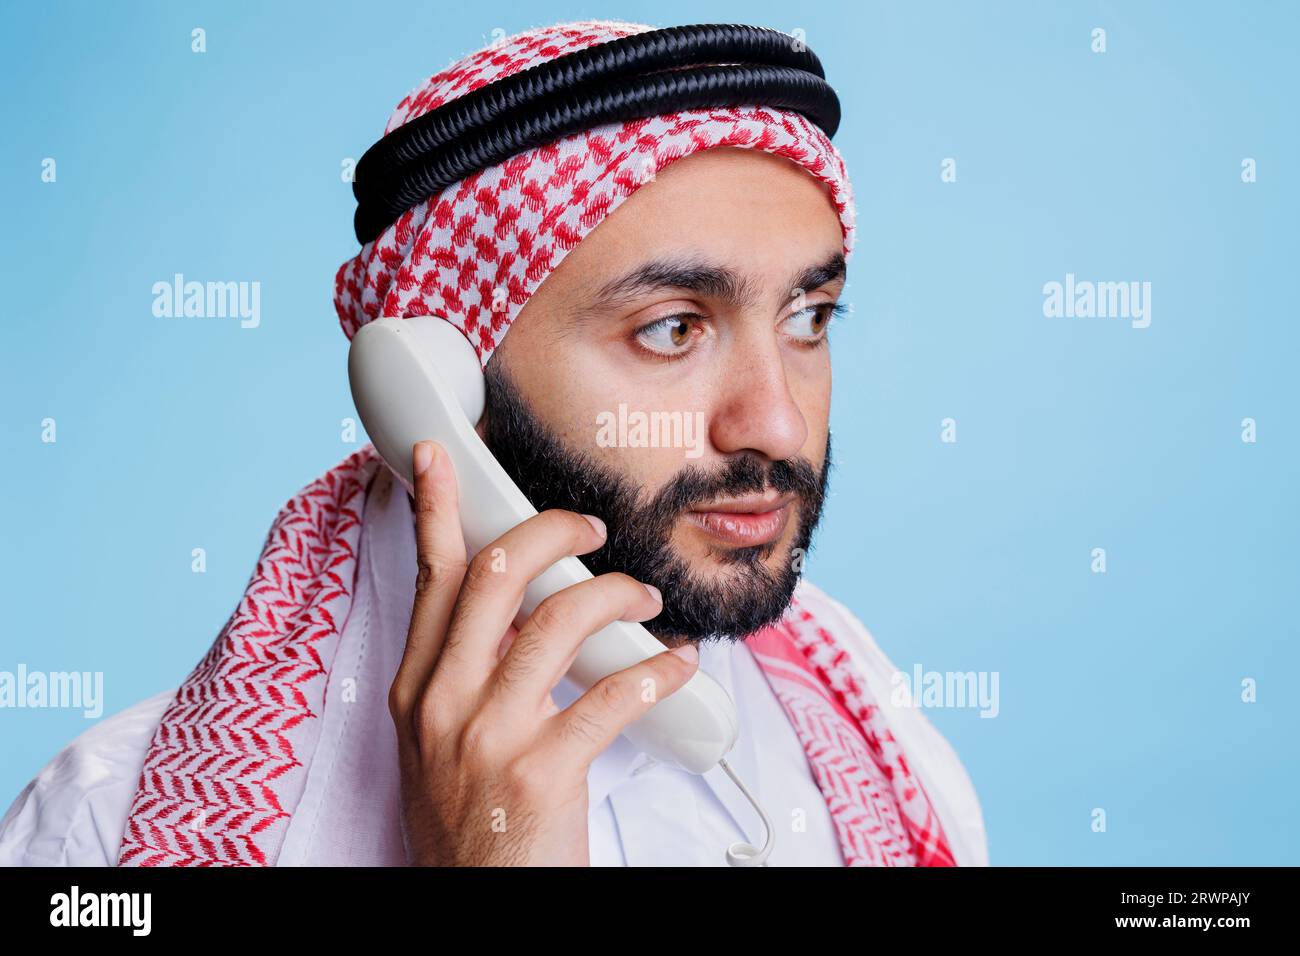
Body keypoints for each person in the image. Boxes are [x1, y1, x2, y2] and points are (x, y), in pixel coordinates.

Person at [0, 19, 987, 867]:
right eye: (672, 328)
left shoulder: (864, 721)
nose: (774, 424)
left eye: (808, 319)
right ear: (440, 390)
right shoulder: (98, 831)